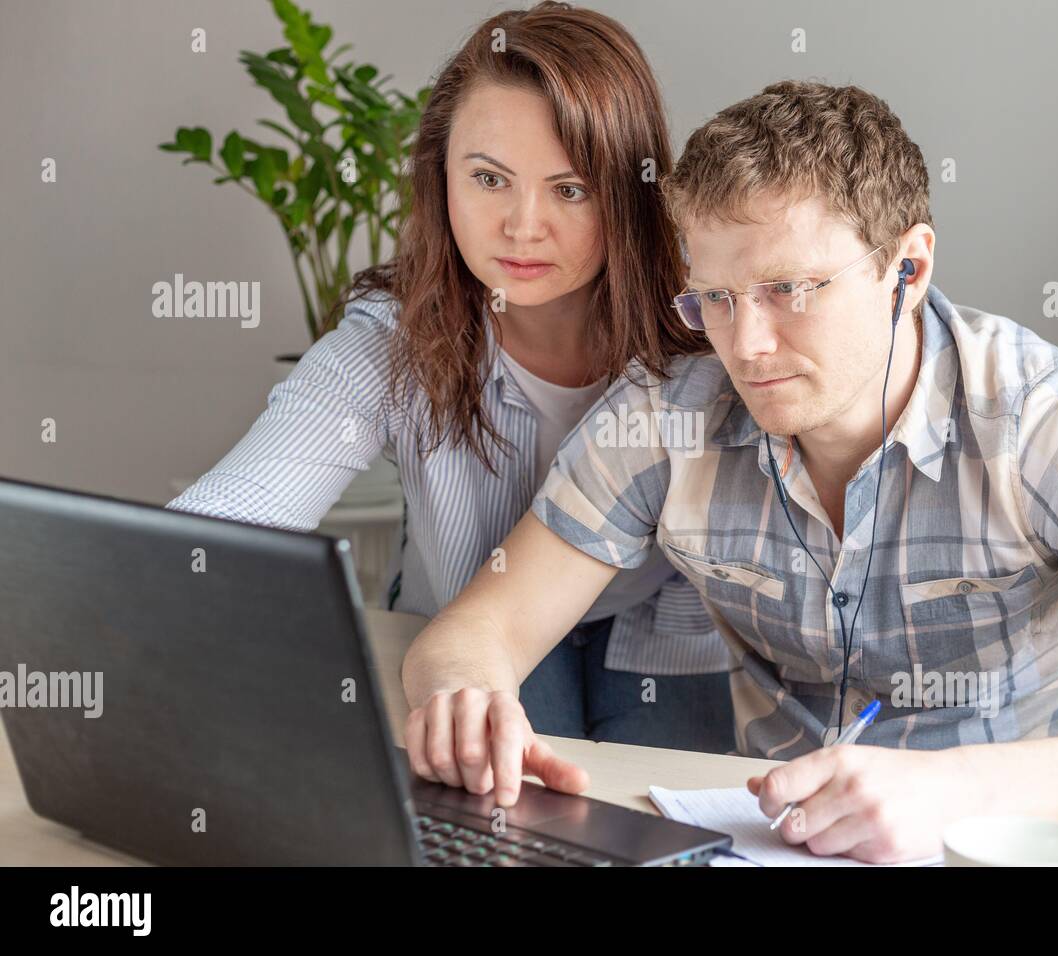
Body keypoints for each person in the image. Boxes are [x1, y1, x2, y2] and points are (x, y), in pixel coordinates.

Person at [398, 80, 1058, 863]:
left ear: (907, 266)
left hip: (1000, 846)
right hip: (771, 846)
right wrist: (463, 696)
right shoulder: (668, 414)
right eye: (714, 297)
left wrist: (946, 791)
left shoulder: (1042, 421)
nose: (746, 346)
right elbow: (472, 633)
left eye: (792, 290)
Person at [167, 2, 735, 754]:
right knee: (515, 810)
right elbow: (233, 518)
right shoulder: (392, 339)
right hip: (467, 621)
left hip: (658, 623)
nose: (523, 226)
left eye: (570, 189)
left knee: (666, 816)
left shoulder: (705, 326)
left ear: (628, 193)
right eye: (490, 178)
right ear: (441, 177)